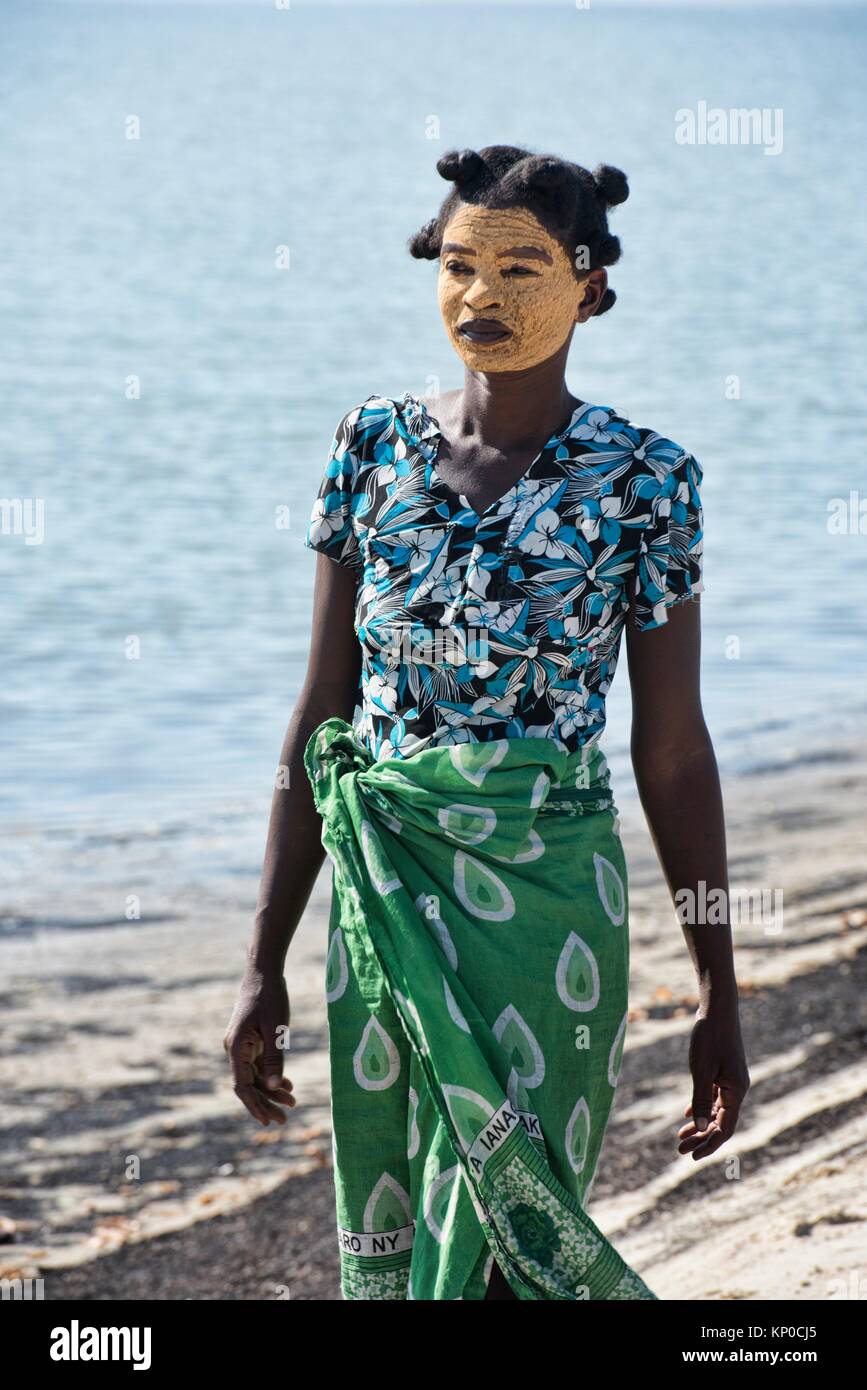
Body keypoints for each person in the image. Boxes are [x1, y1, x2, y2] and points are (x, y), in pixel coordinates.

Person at [223, 144, 750, 1301]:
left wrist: (716, 985)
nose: (484, 296)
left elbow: (672, 749)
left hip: (550, 912)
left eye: (522, 267)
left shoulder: (643, 479)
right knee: (407, 1220)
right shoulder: (372, 446)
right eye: (459, 264)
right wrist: (262, 961)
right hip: (385, 897)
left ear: (590, 284)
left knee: (520, 1231)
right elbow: (322, 712)